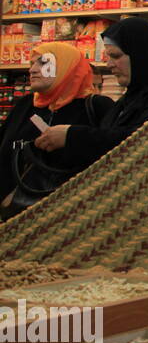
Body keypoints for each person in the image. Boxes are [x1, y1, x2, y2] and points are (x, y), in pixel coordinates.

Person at [35, 18, 148, 166]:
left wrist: (72, 136)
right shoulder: (133, 96)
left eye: (116, 56)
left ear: (141, 54)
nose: (109, 64)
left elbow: (143, 143)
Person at [0, 43, 114, 215]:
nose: (33, 70)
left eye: (43, 63)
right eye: (32, 64)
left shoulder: (96, 107)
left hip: (72, 215)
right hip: (14, 214)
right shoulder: (25, 105)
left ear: (67, 66)